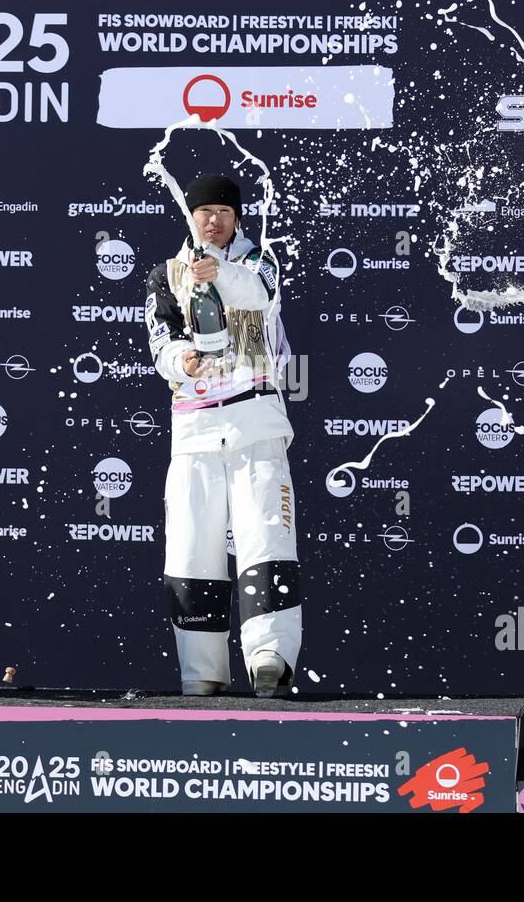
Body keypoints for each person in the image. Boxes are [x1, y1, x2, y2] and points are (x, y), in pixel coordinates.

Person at [144, 174, 301, 697]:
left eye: (224, 212)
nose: (213, 220)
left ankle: (269, 656)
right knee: (191, 550)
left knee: (265, 538)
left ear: (237, 218)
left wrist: (219, 273)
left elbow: (258, 295)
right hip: (193, 432)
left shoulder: (260, 263)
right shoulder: (166, 274)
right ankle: (202, 673)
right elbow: (160, 340)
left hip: (256, 424)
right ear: (190, 216)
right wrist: (182, 360)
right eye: (204, 210)